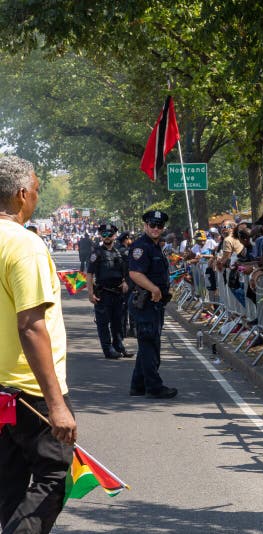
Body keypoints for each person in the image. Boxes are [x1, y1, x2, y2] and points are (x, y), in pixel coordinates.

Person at [0, 155, 77, 532]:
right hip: (29, 392)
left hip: (2, 393)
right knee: (56, 477)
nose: (36, 198)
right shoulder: (24, 245)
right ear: (20, 195)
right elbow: (31, 326)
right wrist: (56, 404)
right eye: (36, 191)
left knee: (9, 486)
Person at [128, 210, 178, 399]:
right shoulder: (141, 247)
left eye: (159, 226)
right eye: (152, 225)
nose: (156, 229)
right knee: (150, 344)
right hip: (145, 301)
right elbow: (135, 273)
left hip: (154, 303)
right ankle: (154, 386)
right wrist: (154, 289)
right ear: (145, 226)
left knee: (147, 344)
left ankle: (138, 385)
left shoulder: (156, 247)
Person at [85, 223, 130, 359]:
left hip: (118, 293)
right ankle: (108, 349)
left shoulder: (120, 253)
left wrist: (126, 282)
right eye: (104, 234)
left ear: (114, 236)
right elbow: (90, 274)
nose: (107, 237)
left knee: (118, 322)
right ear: (101, 236)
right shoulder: (96, 253)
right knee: (103, 323)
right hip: (103, 293)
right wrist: (90, 293)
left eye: (110, 234)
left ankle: (118, 346)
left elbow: (128, 272)